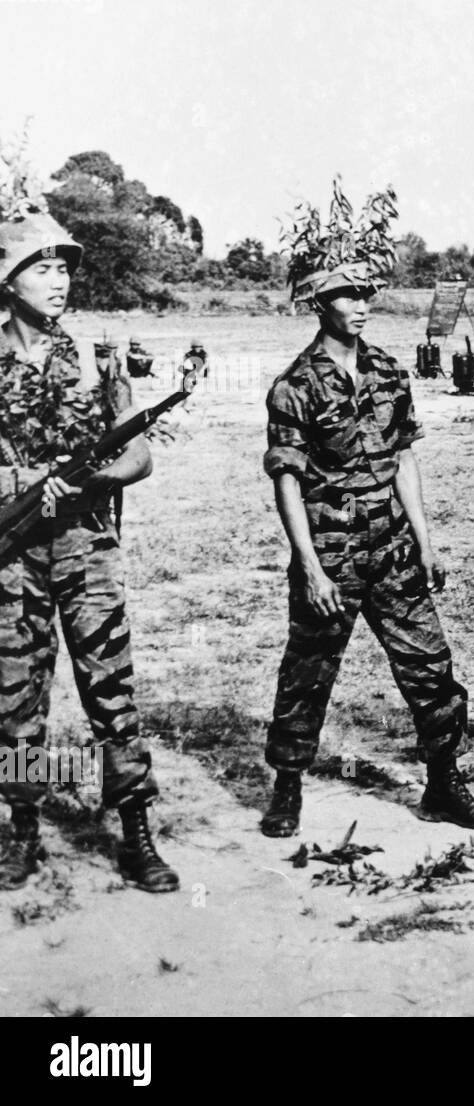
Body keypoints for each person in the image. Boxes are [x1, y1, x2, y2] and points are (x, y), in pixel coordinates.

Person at [260, 182, 474, 836]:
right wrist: (308, 566)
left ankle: (445, 783)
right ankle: (286, 787)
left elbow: (405, 457)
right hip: (330, 556)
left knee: (430, 668)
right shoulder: (295, 388)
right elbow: (286, 479)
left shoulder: (391, 373)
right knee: (307, 674)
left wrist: (426, 540)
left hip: (392, 549)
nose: (359, 306)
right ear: (317, 303)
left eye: (365, 293)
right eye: (344, 294)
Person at [0, 201, 178, 892]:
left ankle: (136, 831)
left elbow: (138, 455)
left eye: (63, 267)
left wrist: (87, 483)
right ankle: (21, 831)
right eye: (40, 266)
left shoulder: (98, 361)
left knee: (112, 691)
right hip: (14, 558)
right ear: (9, 280)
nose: (57, 279)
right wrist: (20, 482)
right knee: (14, 698)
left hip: (86, 550)